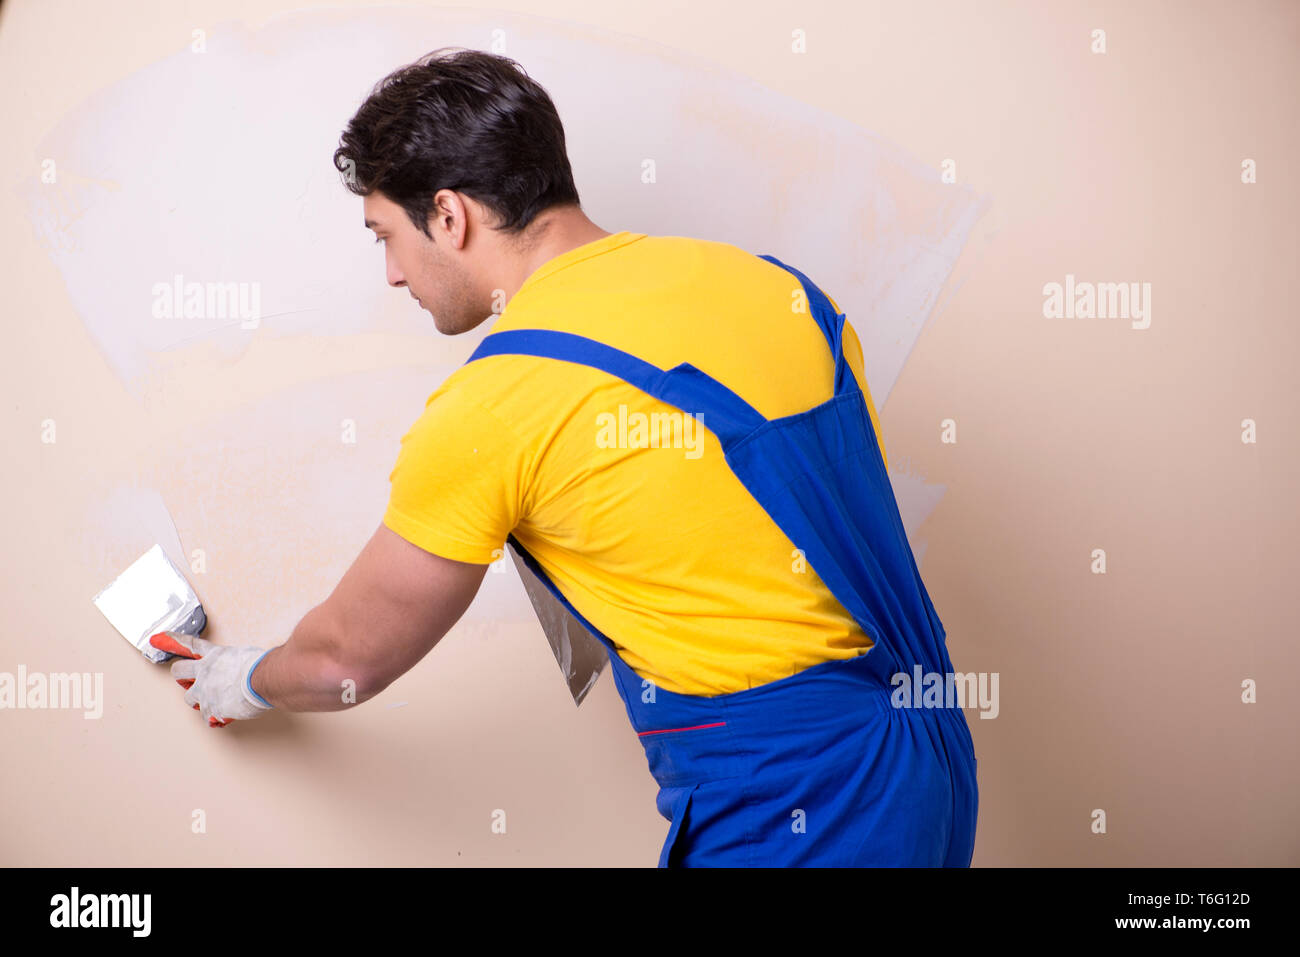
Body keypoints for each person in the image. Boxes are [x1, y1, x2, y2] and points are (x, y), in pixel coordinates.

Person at [156, 46, 978, 867]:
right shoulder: (779, 288)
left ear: (449, 216)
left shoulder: (500, 401)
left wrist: (245, 677)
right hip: (929, 765)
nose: (394, 277)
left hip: (794, 800)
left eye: (388, 236)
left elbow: (348, 656)